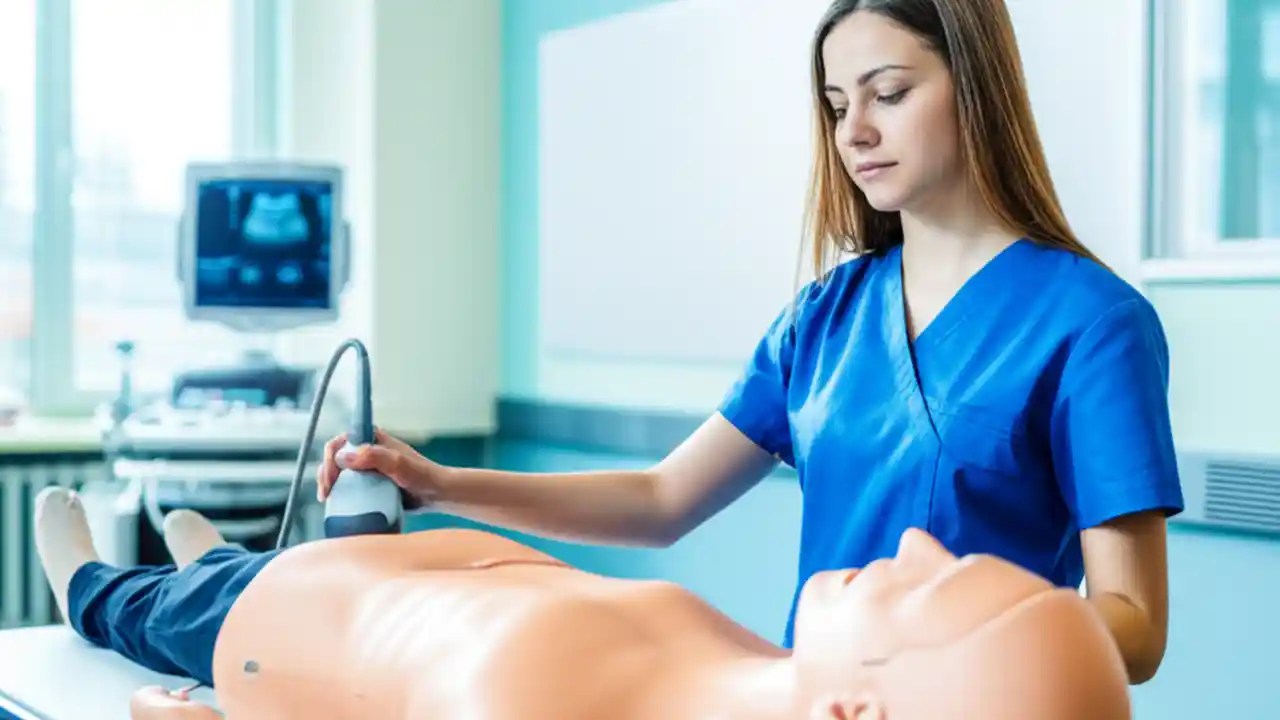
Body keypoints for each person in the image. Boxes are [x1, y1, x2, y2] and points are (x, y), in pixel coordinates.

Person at [319, 0, 1183, 686]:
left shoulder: (1091, 325)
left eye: (889, 93)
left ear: (977, 87)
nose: (855, 133)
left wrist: (950, 635)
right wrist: (437, 484)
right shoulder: (826, 317)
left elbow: (1135, 627)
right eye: (838, 106)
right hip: (812, 697)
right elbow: (662, 501)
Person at [32, 487, 1131, 719]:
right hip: (428, 570)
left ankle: (89, 580)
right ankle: (210, 549)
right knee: (220, 567)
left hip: (289, 635)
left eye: (928, 586)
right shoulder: (771, 678)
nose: (913, 541)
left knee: (156, 605)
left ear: (857, 716)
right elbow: (658, 498)